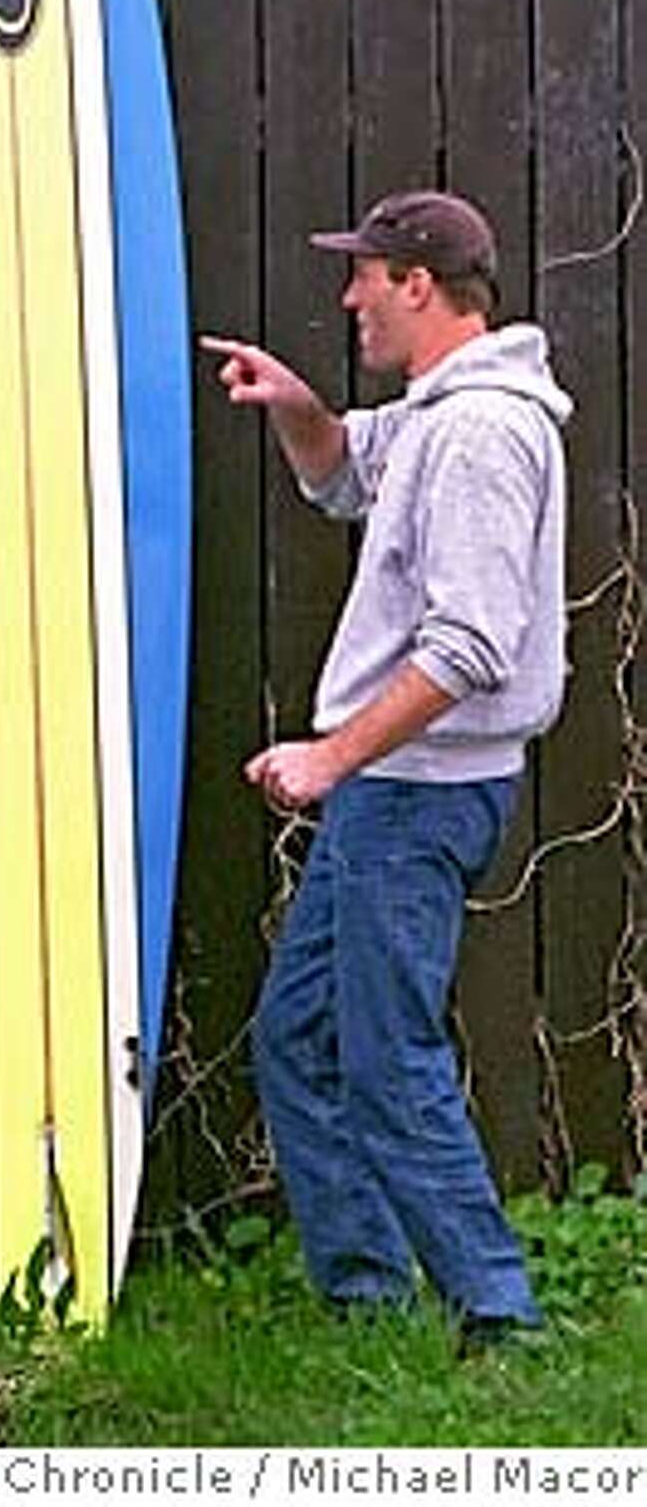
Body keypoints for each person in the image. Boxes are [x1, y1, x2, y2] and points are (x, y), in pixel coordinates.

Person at [203, 190, 572, 1346]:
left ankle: (498, 1310)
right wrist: (300, 405)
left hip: (416, 794)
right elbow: (346, 471)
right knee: (300, 1035)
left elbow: (470, 642)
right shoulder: (434, 416)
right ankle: (366, 1290)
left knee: (385, 1051)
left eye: (365, 274)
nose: (349, 294)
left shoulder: (479, 435)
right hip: (392, 792)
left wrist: (331, 754)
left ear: (420, 283)